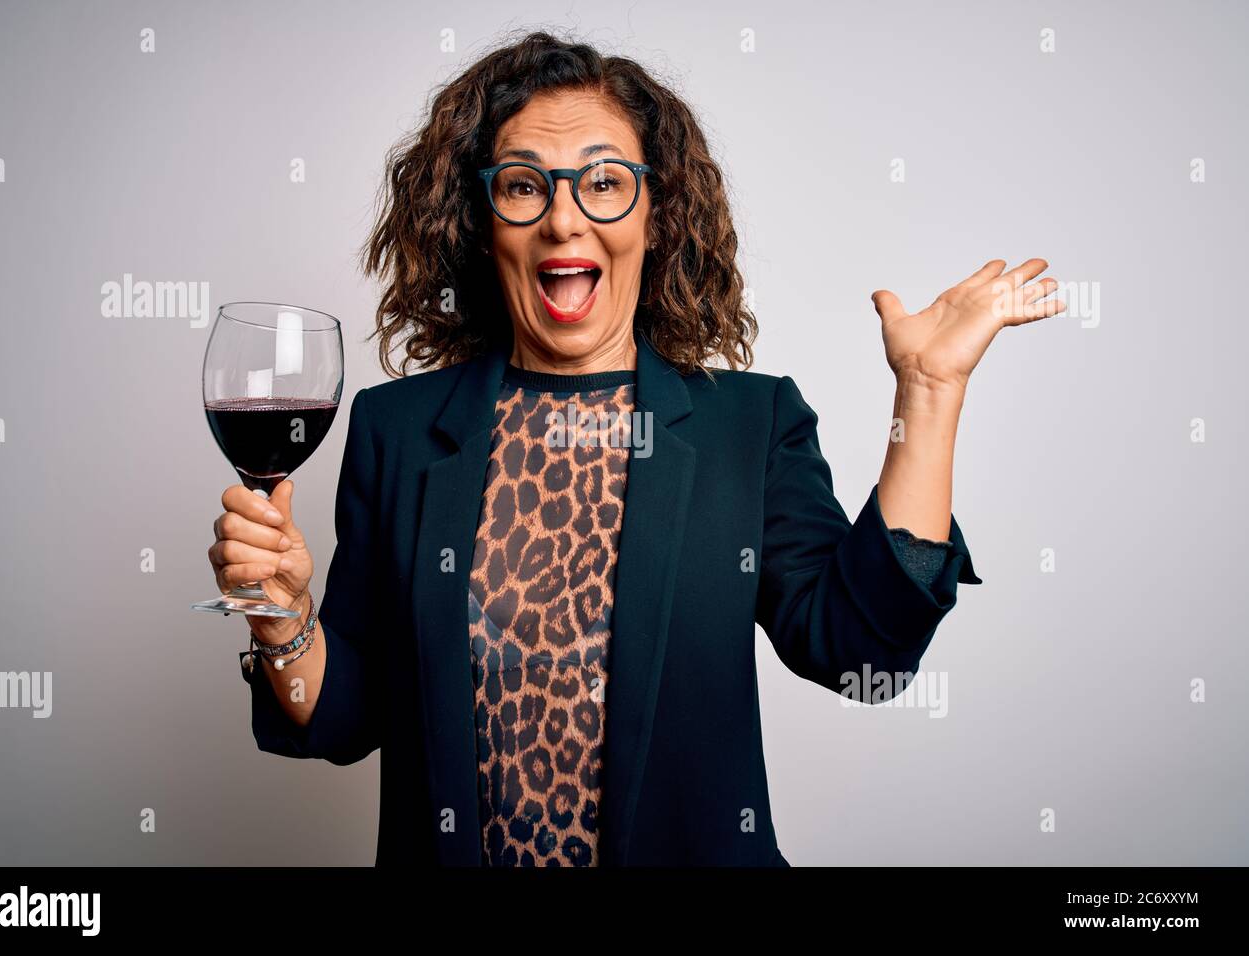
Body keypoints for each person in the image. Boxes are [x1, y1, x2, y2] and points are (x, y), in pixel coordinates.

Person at [206, 31, 1061, 867]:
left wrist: (931, 392)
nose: (564, 218)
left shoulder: (748, 426)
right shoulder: (396, 428)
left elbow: (860, 653)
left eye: (605, 182)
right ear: (482, 221)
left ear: (658, 216)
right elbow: (347, 719)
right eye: (523, 186)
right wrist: (282, 615)